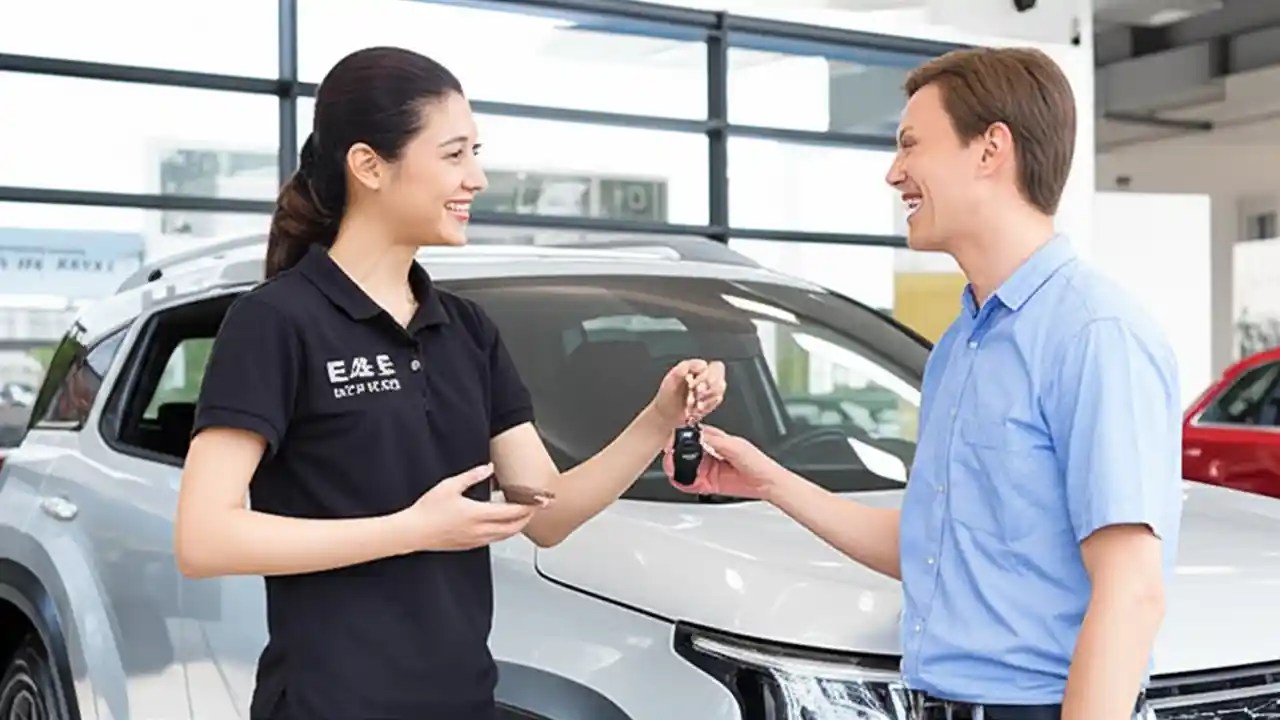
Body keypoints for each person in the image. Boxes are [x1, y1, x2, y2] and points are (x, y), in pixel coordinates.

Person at [173, 46, 726, 720]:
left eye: (475, 153)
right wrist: (410, 529)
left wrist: (658, 418)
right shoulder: (274, 322)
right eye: (455, 154)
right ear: (369, 165)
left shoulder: (467, 330)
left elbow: (545, 514)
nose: (479, 178)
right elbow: (205, 539)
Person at [667, 47, 1182, 720]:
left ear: (990, 148)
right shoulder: (962, 346)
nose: (894, 172)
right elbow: (930, 549)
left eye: (911, 145)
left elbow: (1132, 589)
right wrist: (768, 481)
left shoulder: (1093, 333)